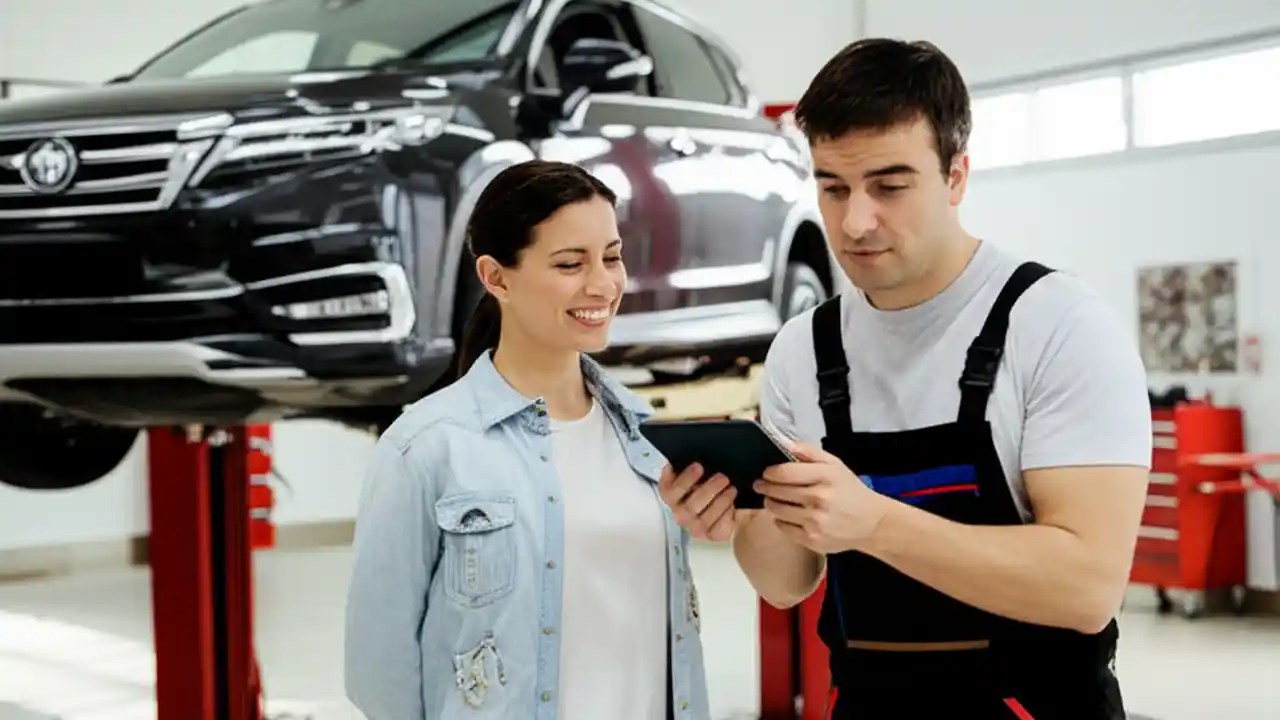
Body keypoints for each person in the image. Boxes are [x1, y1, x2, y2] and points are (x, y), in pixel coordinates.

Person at [659, 39, 1152, 719]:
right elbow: (785, 582)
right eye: (833, 188)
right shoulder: (804, 349)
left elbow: (1086, 589)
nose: (855, 221)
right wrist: (740, 516)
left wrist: (873, 522)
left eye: (889, 187)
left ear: (956, 176)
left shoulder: (1058, 326)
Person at [344, 159, 711, 720]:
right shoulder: (427, 448)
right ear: (496, 278)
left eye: (612, 257)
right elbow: (378, 674)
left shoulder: (644, 437)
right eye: (570, 264)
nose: (602, 284)